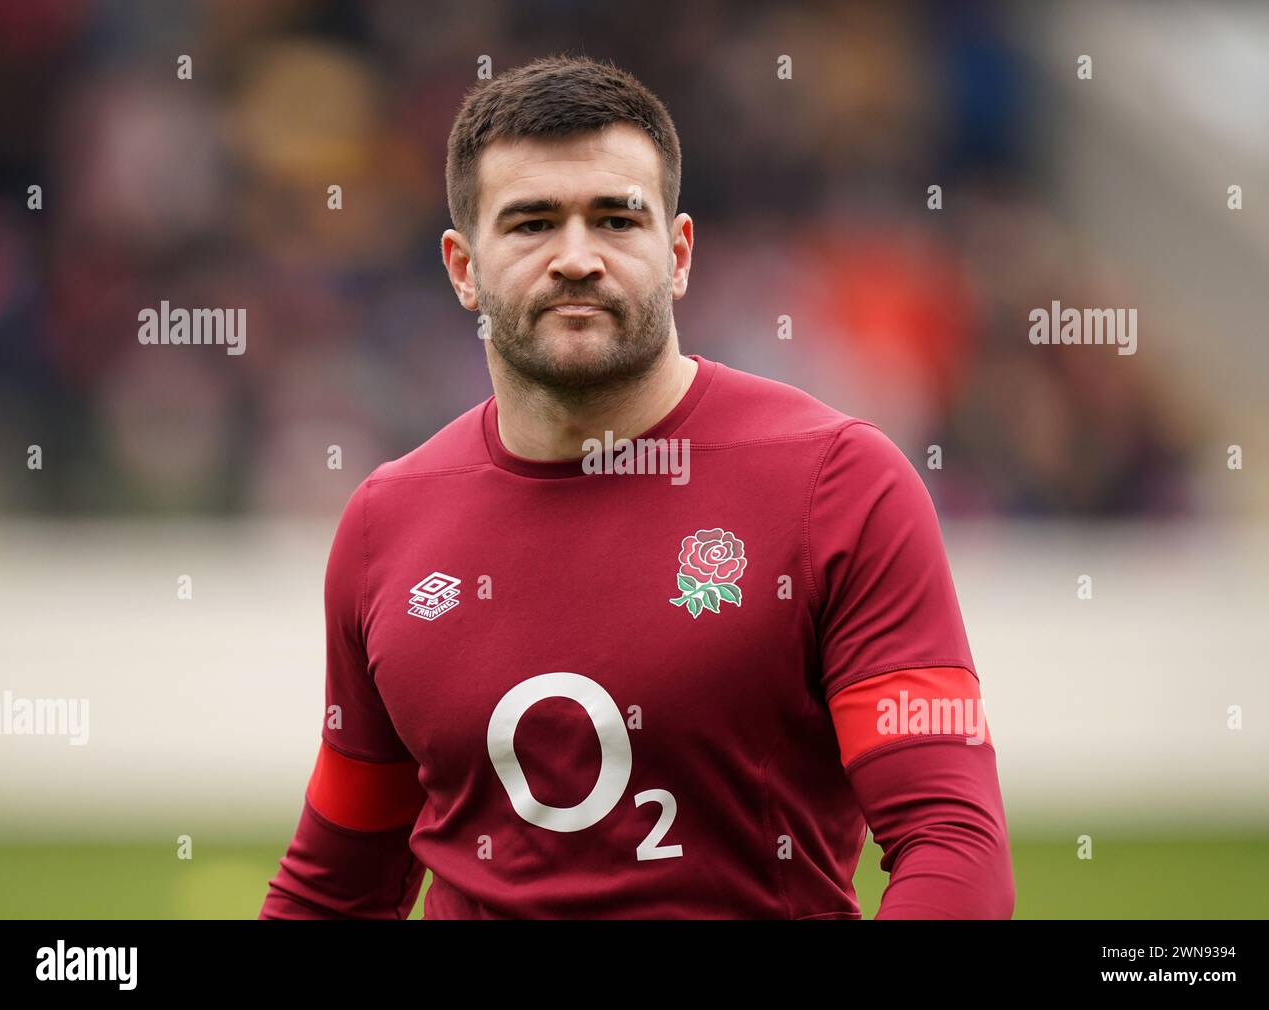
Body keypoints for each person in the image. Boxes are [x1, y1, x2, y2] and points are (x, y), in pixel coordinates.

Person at [260, 54, 1014, 919]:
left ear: (679, 251)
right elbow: (339, 878)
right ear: (463, 266)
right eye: (532, 223)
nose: (576, 259)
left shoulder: (838, 484)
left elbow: (951, 844)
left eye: (616, 220)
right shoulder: (382, 526)